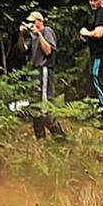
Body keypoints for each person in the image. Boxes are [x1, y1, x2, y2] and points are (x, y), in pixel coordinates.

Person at [17, 9, 64, 138]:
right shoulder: (32, 37)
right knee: (34, 106)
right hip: (34, 71)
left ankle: (59, 135)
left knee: (44, 106)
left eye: (33, 22)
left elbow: (48, 50)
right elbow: (23, 49)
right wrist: (21, 34)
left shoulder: (47, 31)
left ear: (39, 21)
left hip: (44, 69)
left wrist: (39, 34)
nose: (31, 24)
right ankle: (40, 138)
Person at [79, 0, 103, 129]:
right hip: (100, 54)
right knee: (100, 82)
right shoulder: (98, 14)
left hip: (101, 55)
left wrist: (86, 32)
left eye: (96, 0)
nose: (93, 3)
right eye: (91, 0)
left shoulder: (102, 13)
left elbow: (99, 33)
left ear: (102, 0)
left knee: (99, 81)